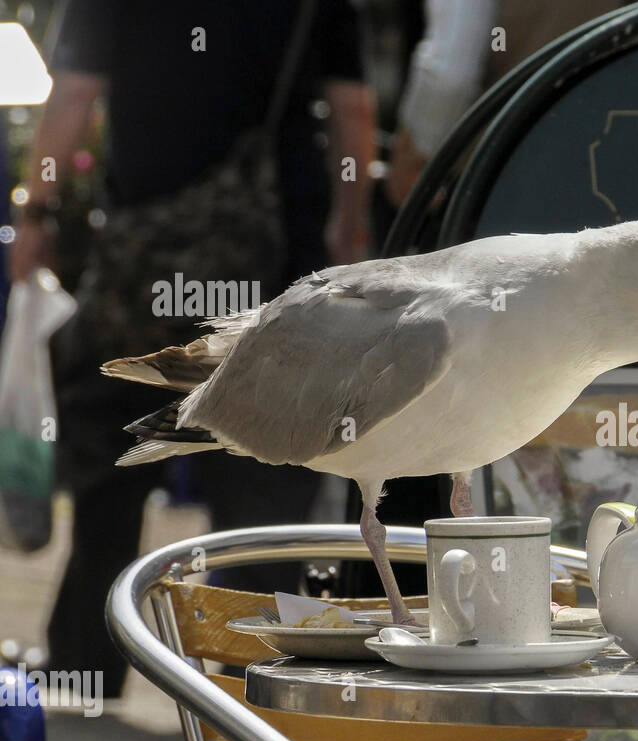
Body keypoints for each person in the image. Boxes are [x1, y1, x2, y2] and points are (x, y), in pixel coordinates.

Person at [6, 0, 376, 697]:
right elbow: (353, 110)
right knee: (265, 466)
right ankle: (248, 674)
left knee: (111, 452)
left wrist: (37, 212)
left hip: (145, 260)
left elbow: (75, 93)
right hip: (276, 258)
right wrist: (347, 233)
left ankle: (87, 659)